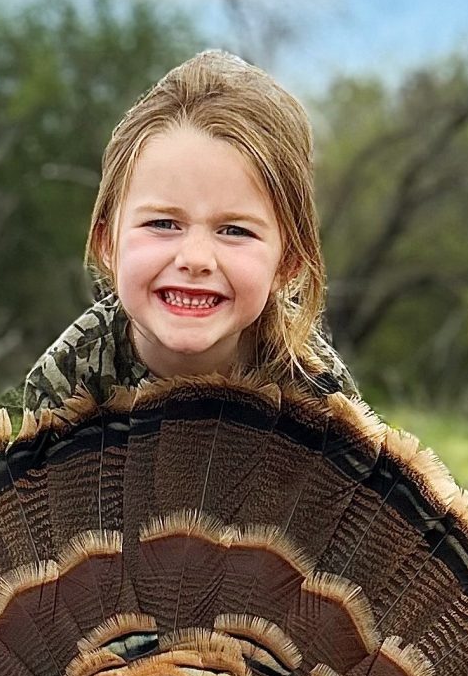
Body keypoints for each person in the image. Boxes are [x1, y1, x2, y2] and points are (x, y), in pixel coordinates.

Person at [22, 47, 356, 416]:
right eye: (163, 224)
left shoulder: (318, 389)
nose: (195, 259)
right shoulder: (68, 379)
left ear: (287, 263)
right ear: (106, 243)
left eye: (234, 230)